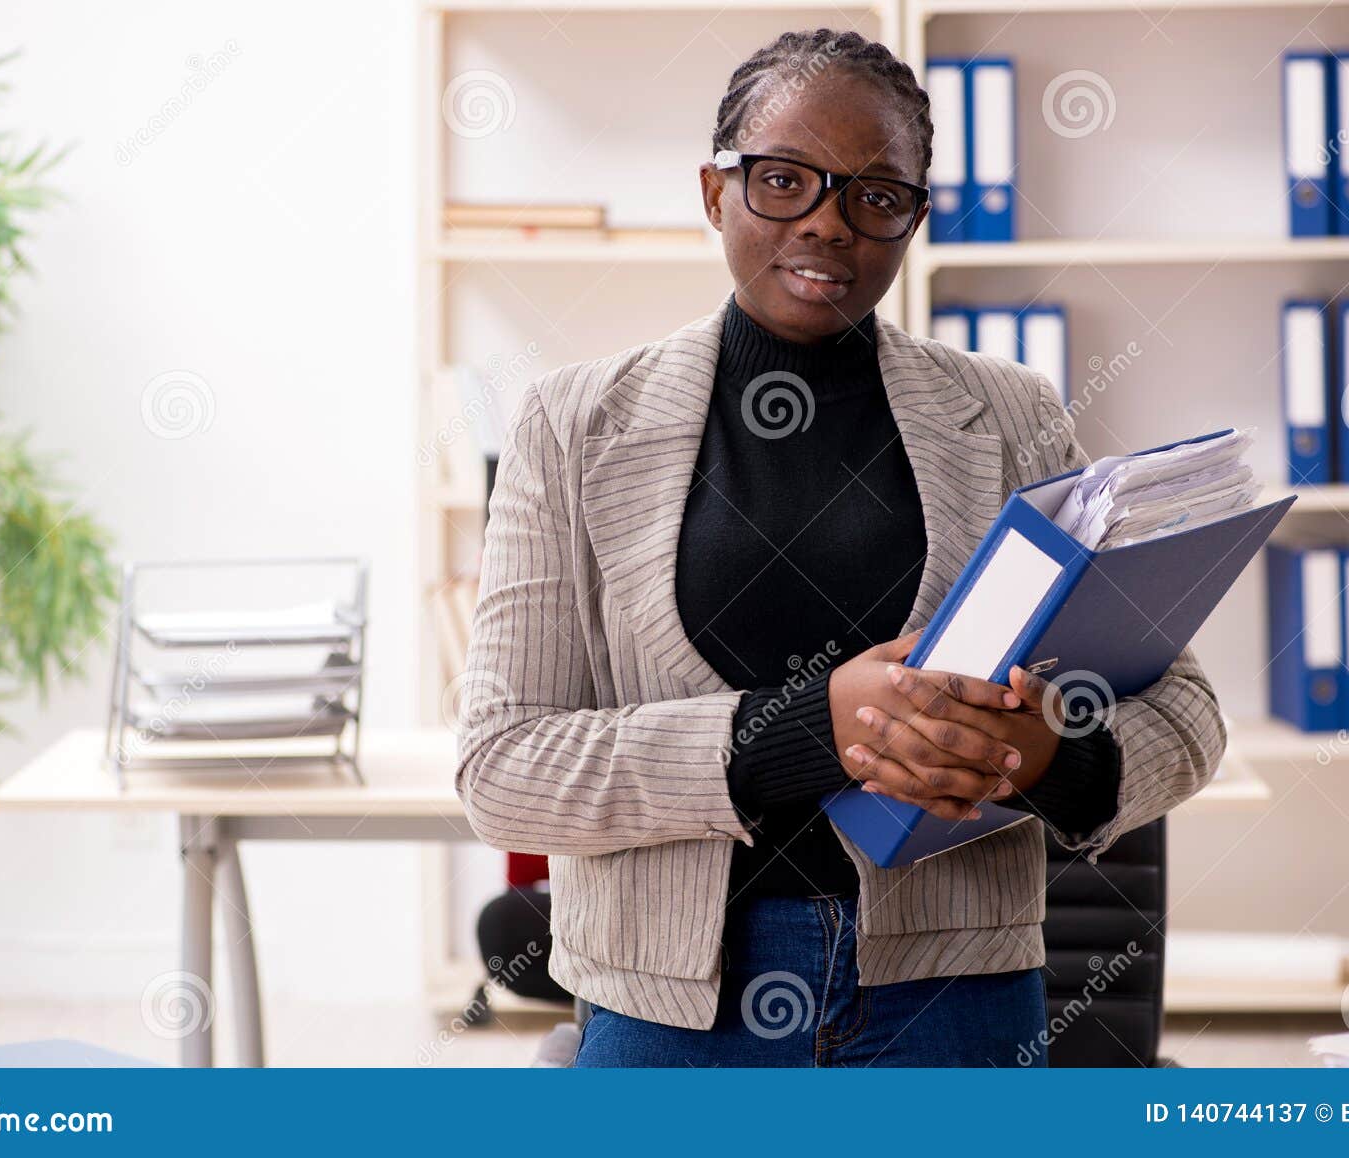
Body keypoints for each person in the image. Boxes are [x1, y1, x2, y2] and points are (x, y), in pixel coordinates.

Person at [454, 28, 1225, 1067]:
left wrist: (1048, 753)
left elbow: (1184, 715)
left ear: (912, 217)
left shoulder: (1009, 416)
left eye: (875, 195)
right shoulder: (573, 424)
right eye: (782, 180)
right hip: (675, 1013)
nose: (827, 224)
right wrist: (809, 729)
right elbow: (502, 770)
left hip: (951, 1000)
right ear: (713, 190)